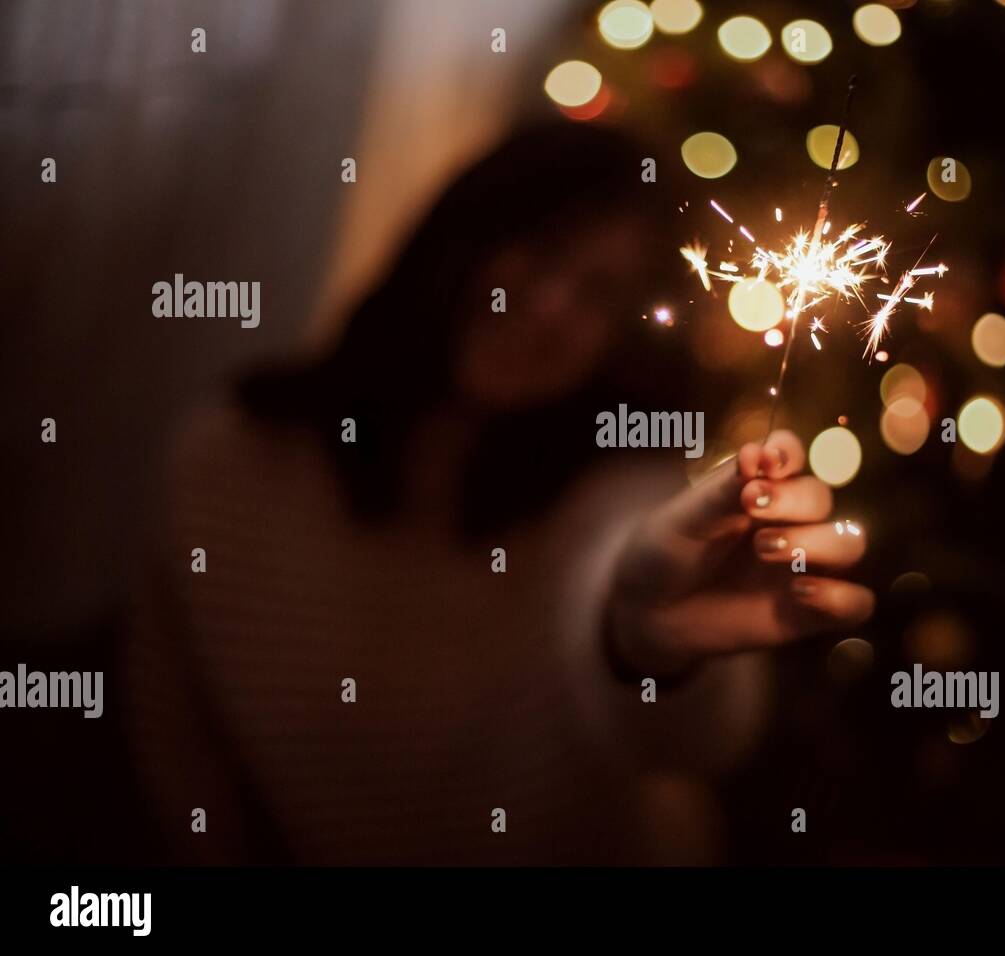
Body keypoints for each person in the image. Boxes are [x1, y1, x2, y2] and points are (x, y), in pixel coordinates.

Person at [125, 122, 875, 864]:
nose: (551, 307)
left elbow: (692, 732)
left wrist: (643, 643)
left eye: (599, 293)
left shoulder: (610, 494)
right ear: (461, 232)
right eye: (542, 252)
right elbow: (175, 745)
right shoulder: (228, 464)